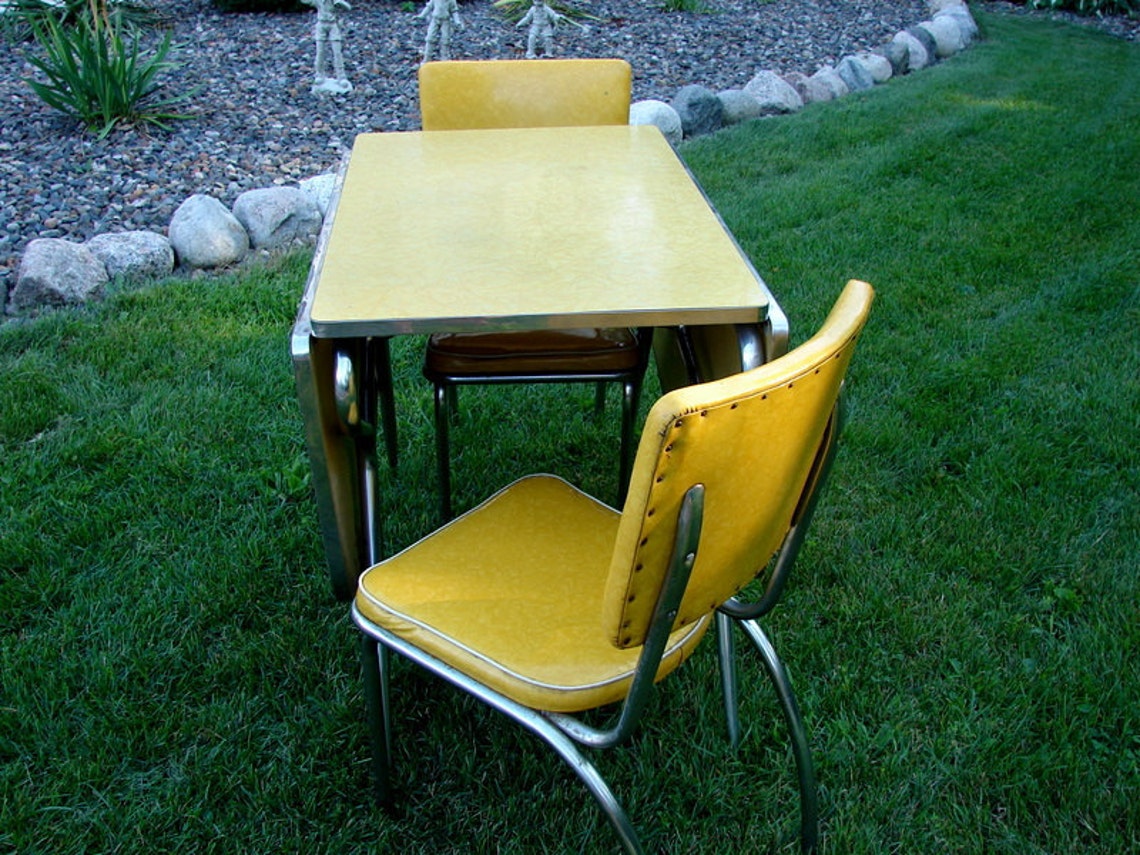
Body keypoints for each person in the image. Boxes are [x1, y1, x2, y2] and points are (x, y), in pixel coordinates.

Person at [303, 0, 352, 94]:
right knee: (320, 52)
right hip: (321, 25)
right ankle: (319, 75)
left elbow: (348, 8)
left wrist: (339, 2)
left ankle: (341, 77)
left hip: (333, 25)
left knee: (337, 52)